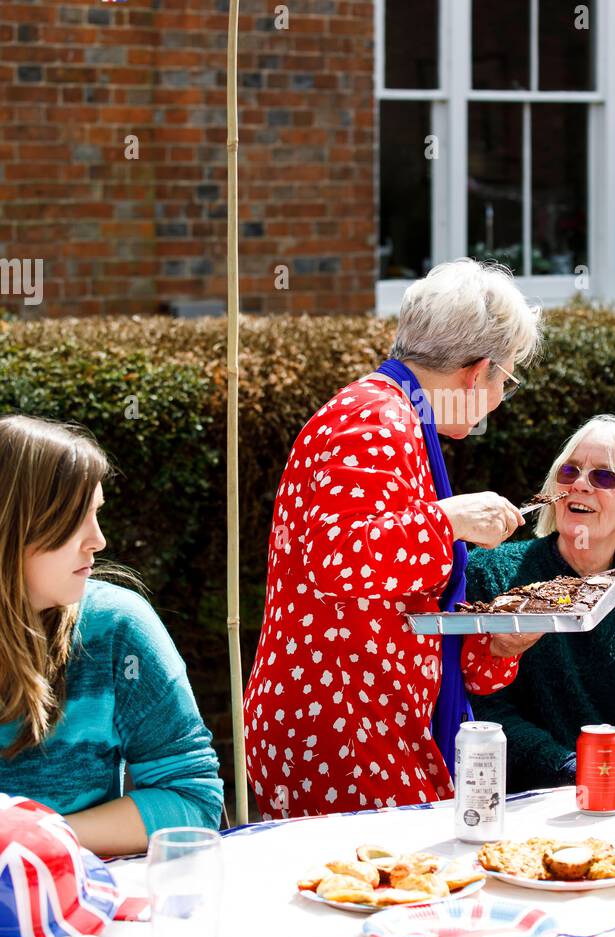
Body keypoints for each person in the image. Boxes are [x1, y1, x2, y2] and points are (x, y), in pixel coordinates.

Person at [245, 258, 543, 818]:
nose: (501, 397)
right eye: (507, 378)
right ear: (478, 372)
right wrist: (449, 520)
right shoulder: (376, 417)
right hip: (342, 727)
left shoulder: (390, 414)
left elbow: (397, 599)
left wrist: (490, 644)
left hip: (361, 721)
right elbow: (338, 560)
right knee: (391, 899)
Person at [0, 415, 224, 857]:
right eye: (72, 520)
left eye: (96, 513)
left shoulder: (116, 628)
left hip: (73, 910)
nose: (97, 540)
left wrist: (37, 838)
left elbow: (194, 801)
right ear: (12, 528)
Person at [465, 415, 615, 789]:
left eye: (604, 477)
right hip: (524, 800)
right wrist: (569, 767)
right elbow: (483, 709)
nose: (580, 485)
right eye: (569, 471)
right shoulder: (491, 575)